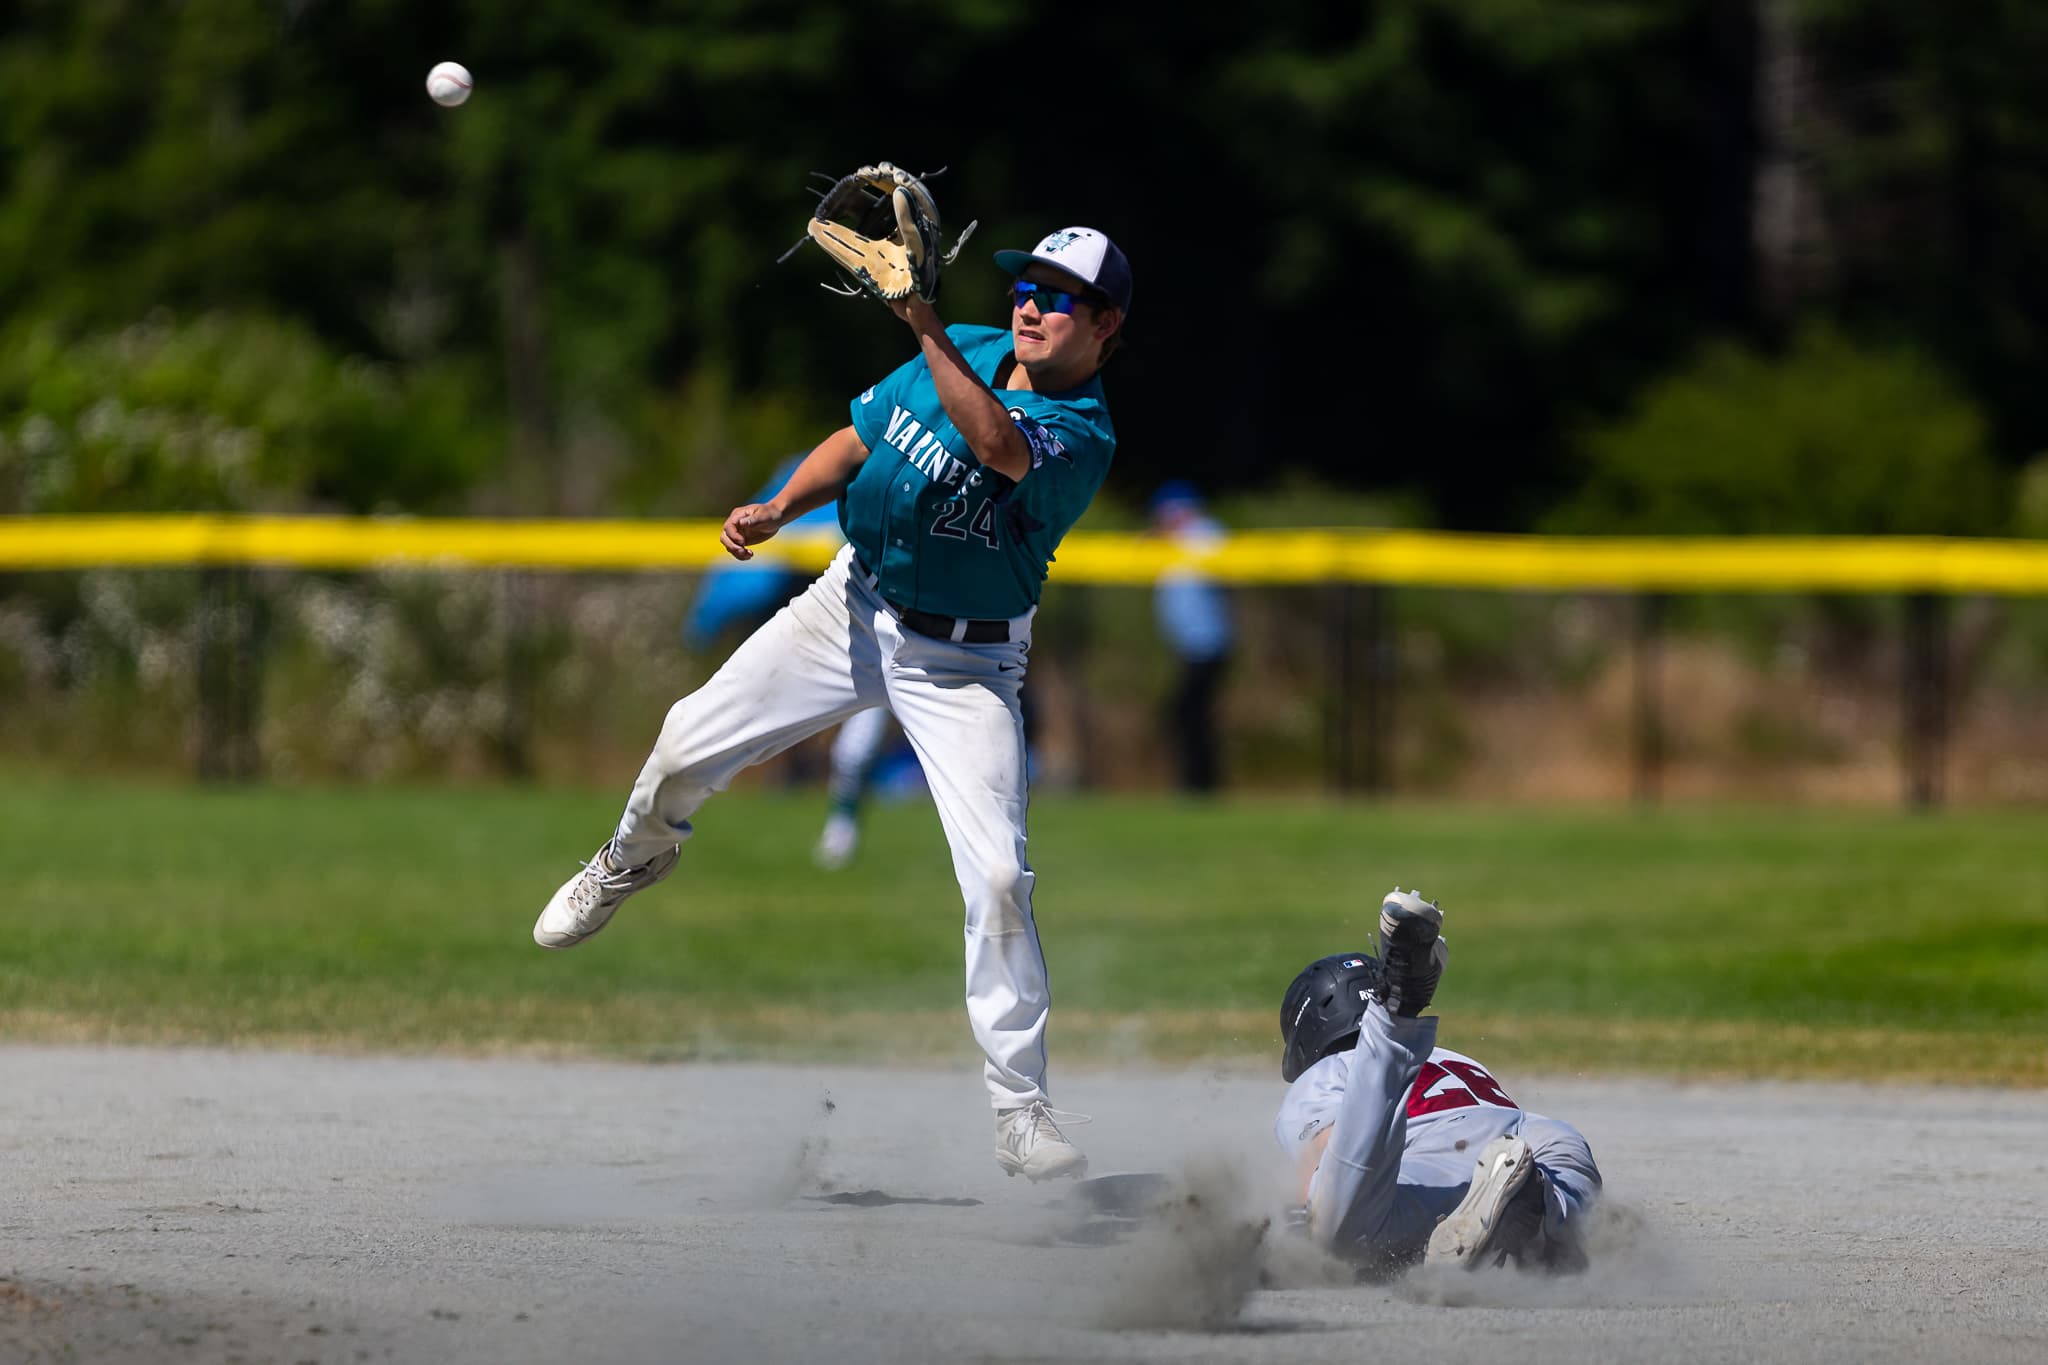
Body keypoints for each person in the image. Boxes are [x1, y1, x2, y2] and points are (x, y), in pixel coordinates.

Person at [532, 225, 1131, 1182]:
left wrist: (919, 318)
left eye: (1057, 296)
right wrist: (779, 509)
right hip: (851, 603)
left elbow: (995, 443)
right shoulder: (967, 344)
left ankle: (1020, 1110)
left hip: (962, 664)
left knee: (998, 879)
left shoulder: (1083, 431)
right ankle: (628, 857)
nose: (1029, 303)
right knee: (686, 737)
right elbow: (857, 442)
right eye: (1024, 284)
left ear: (1105, 327)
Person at [1275, 889, 1603, 1274]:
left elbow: (1330, 1153)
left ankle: (1397, 1010)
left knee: (1339, 1238)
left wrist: (1303, 1221)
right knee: (1570, 1210)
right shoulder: (1451, 1056)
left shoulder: (1325, 1073)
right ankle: (1546, 1208)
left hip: (1435, 1166)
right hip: (1542, 1141)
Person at [680, 453, 899, 867]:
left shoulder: (894, 505)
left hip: (911, 651)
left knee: (859, 752)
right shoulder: (829, 526)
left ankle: (843, 827)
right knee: (845, 750)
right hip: (855, 651)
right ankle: (839, 827)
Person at [1149, 481, 1233, 792]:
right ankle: (1197, 783)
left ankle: (1201, 784)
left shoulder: (1205, 533)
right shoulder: (1174, 540)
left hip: (1208, 643)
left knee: (1190, 713)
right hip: (1188, 645)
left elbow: (1209, 547)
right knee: (1189, 714)